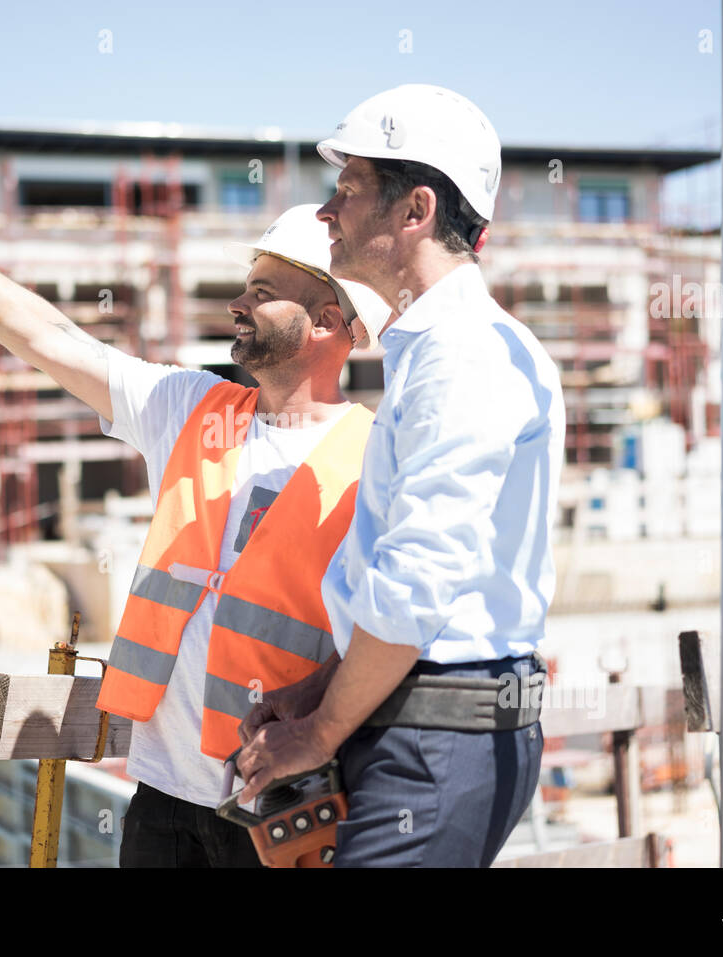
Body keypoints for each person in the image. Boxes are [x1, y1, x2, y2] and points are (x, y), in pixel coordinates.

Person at [0, 167, 388, 866]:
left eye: (264, 292)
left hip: (276, 810)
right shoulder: (192, 408)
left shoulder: (375, 459)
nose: (236, 306)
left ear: (329, 322)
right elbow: (50, 335)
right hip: (159, 797)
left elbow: (387, 632)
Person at [235, 84, 567, 867]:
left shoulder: (459, 356)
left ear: (414, 211)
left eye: (347, 191)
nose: (326, 213)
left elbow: (418, 583)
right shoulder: (447, 348)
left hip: (431, 749)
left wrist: (317, 733)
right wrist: (327, 685)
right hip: (433, 737)